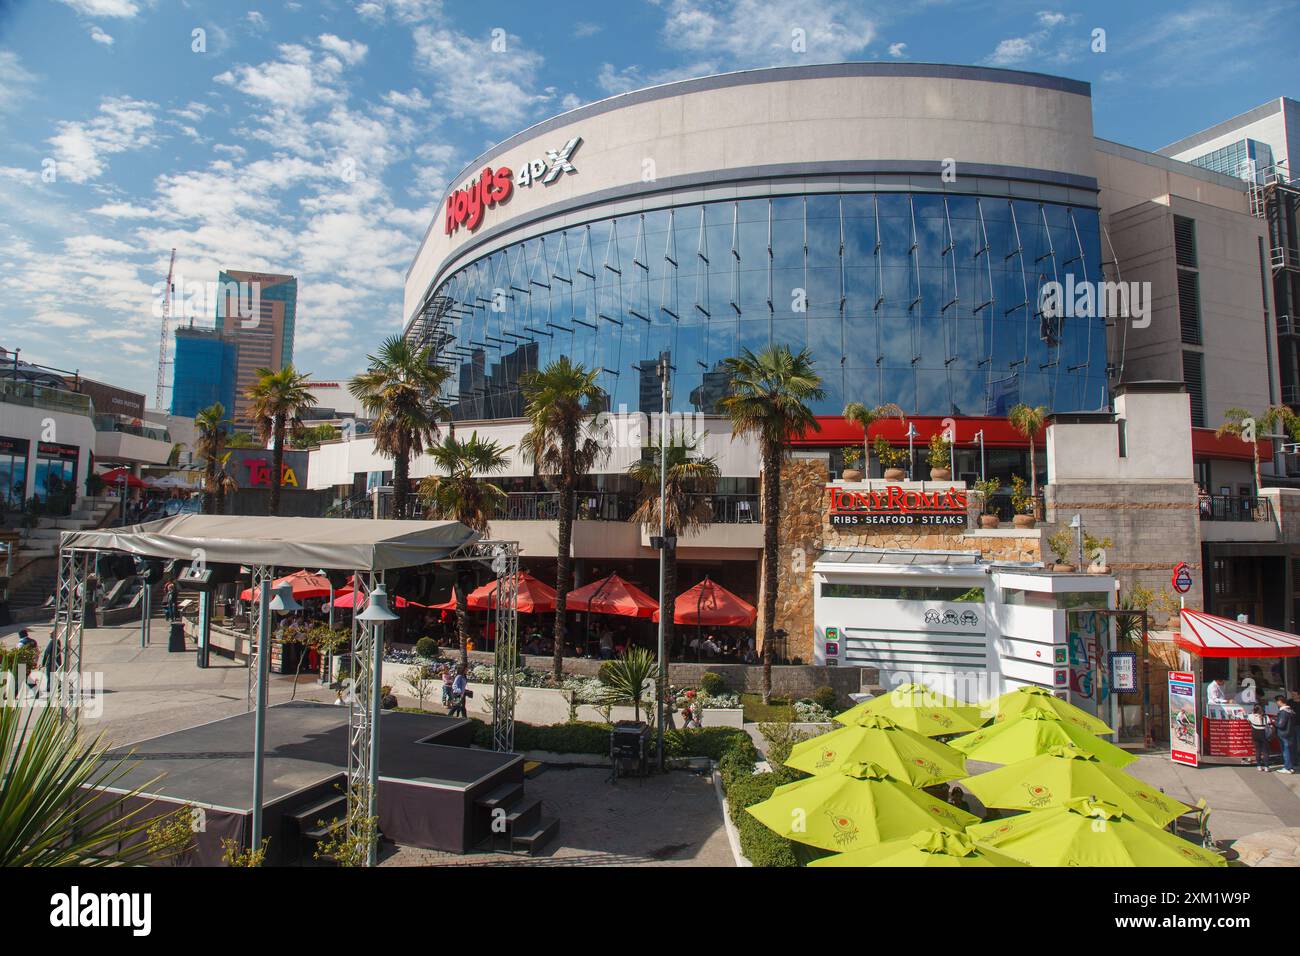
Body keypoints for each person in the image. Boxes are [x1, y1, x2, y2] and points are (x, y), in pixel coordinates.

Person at [1274, 696, 1297, 774]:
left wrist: (1274, 721)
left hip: (1284, 734)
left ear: (1280, 701)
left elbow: (1281, 724)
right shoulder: (1291, 710)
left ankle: (1287, 767)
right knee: (1291, 751)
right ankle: (1291, 767)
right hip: (1291, 733)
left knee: (1285, 751)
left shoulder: (1283, 712)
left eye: (1277, 701)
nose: (1276, 703)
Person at [1248, 704, 1272, 772]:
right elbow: (1269, 724)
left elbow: (1249, 722)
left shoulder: (1251, 716)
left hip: (1255, 734)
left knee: (1258, 750)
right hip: (1263, 734)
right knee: (1265, 751)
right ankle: (1266, 766)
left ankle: (1259, 766)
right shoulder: (1266, 717)